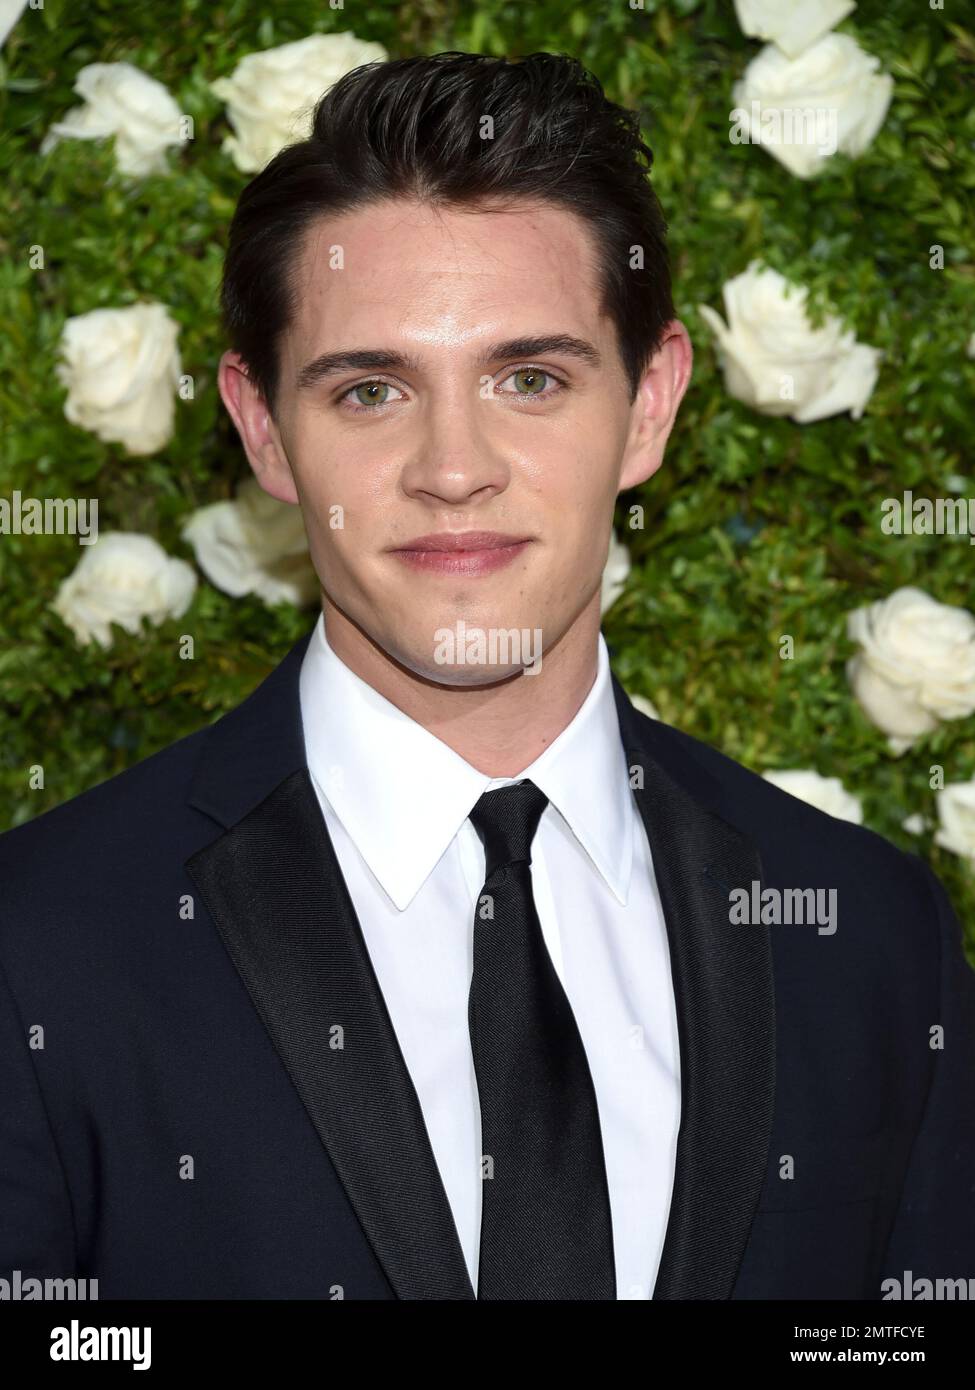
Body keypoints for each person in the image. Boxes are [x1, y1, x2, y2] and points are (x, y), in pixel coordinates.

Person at [1, 51, 973, 1302]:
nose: (453, 467)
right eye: (369, 388)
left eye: (530, 378)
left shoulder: (872, 938)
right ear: (261, 428)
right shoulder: (43, 944)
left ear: (650, 404)